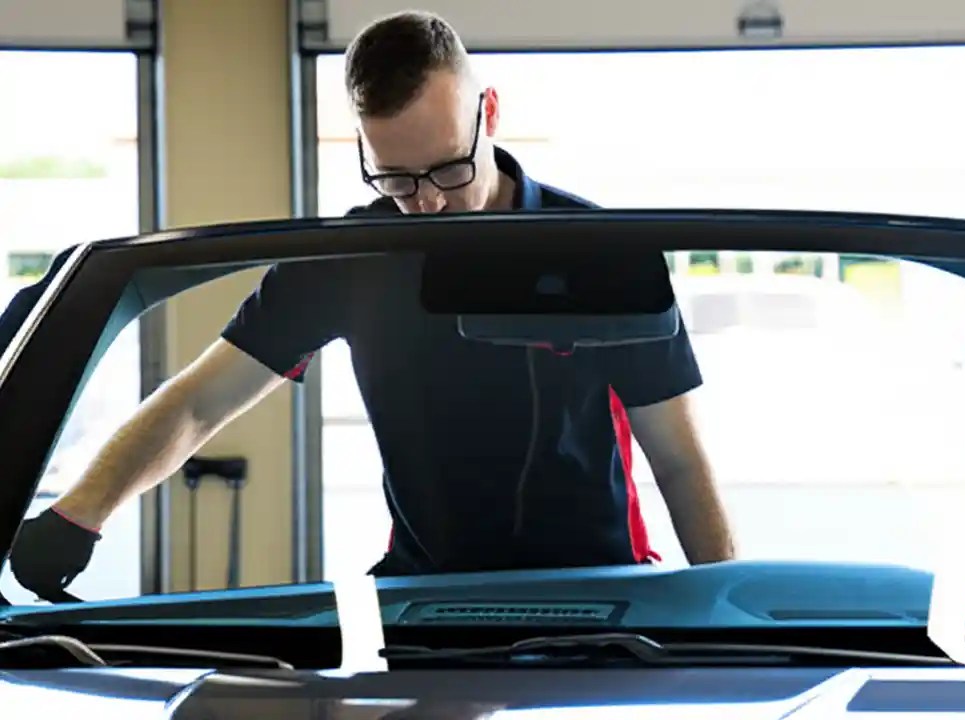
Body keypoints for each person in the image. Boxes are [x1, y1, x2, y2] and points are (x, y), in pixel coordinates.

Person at [7, 10, 734, 597]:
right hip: (424, 599)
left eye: (448, 170)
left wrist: (740, 614)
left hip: (600, 594)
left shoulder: (605, 252)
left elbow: (678, 459)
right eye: (395, 177)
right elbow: (200, 402)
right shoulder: (353, 259)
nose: (426, 203)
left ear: (488, 113)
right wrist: (78, 514)